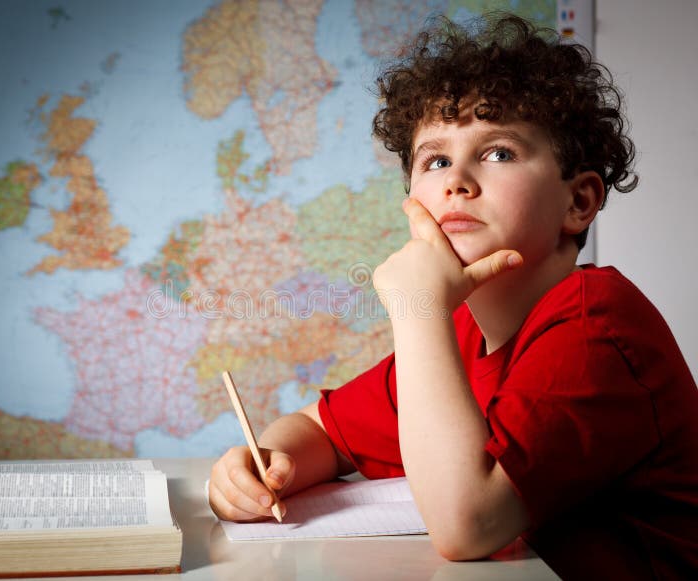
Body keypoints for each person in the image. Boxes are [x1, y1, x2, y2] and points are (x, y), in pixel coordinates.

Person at [208, 13, 698, 579]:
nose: (455, 180)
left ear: (579, 202)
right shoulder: (463, 330)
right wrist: (264, 467)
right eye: (436, 160)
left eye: (499, 153)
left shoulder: (596, 323)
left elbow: (468, 526)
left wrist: (417, 309)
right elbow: (323, 429)